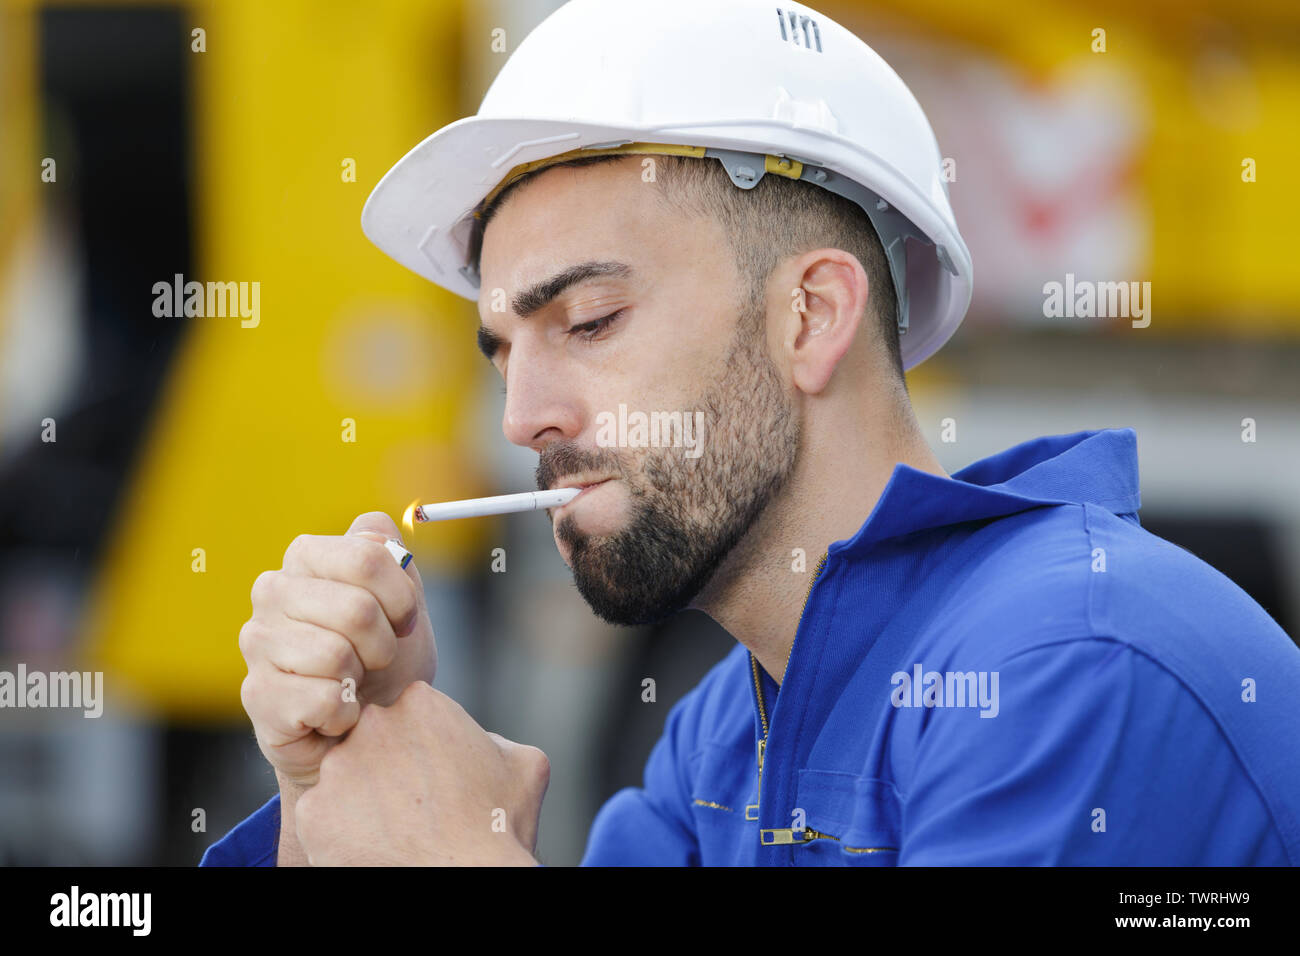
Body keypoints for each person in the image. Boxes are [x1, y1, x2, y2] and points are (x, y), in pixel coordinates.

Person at [201, 0, 1300, 866]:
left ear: (811, 316)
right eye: (501, 348)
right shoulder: (725, 737)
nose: (522, 413)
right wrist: (350, 787)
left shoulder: (1072, 669)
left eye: (587, 321)